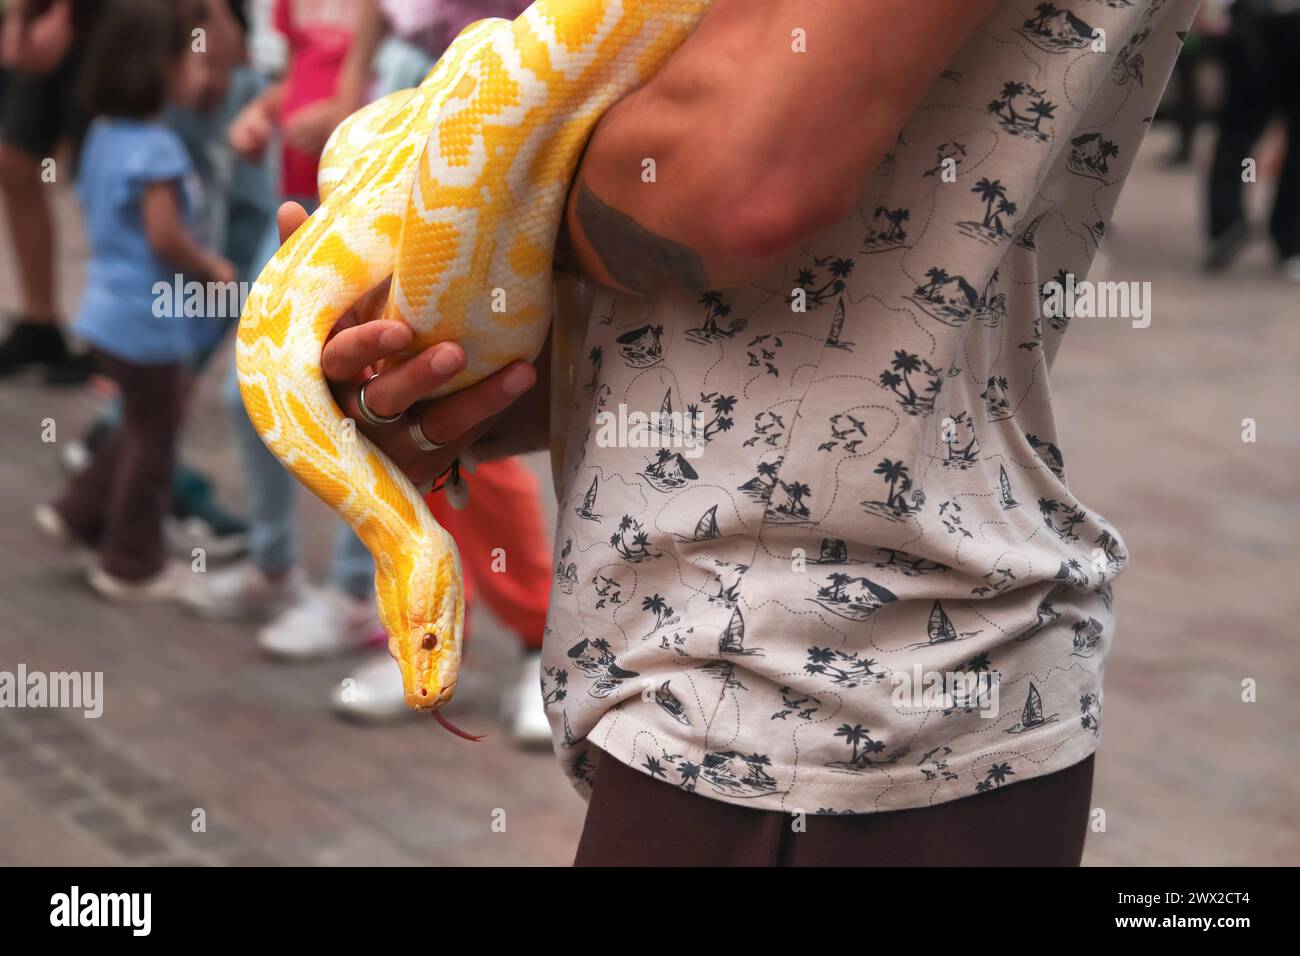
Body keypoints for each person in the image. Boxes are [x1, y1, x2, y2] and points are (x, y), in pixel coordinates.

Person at [287, 0, 1204, 865]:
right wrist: (445, 377)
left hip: (829, 703)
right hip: (735, 682)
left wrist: (424, 197)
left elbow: (736, 175)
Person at [33, 0, 236, 601]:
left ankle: (77, 511)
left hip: (103, 311)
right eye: (189, 58)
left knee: (140, 421)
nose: (199, 73)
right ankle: (131, 561)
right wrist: (213, 267)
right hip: (148, 319)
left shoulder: (100, 134)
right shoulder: (158, 151)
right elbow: (165, 237)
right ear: (159, 68)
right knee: (157, 435)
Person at [0, 0, 101, 383]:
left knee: (103, 171)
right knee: (15, 160)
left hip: (115, 18)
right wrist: (18, 19)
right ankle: (40, 324)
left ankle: (114, 338)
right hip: (49, 13)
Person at [1205, 0, 1300, 277]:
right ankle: (1232, 224)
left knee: (1239, 137)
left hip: (1272, 21)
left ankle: (1286, 239)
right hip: (1254, 20)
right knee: (1238, 135)